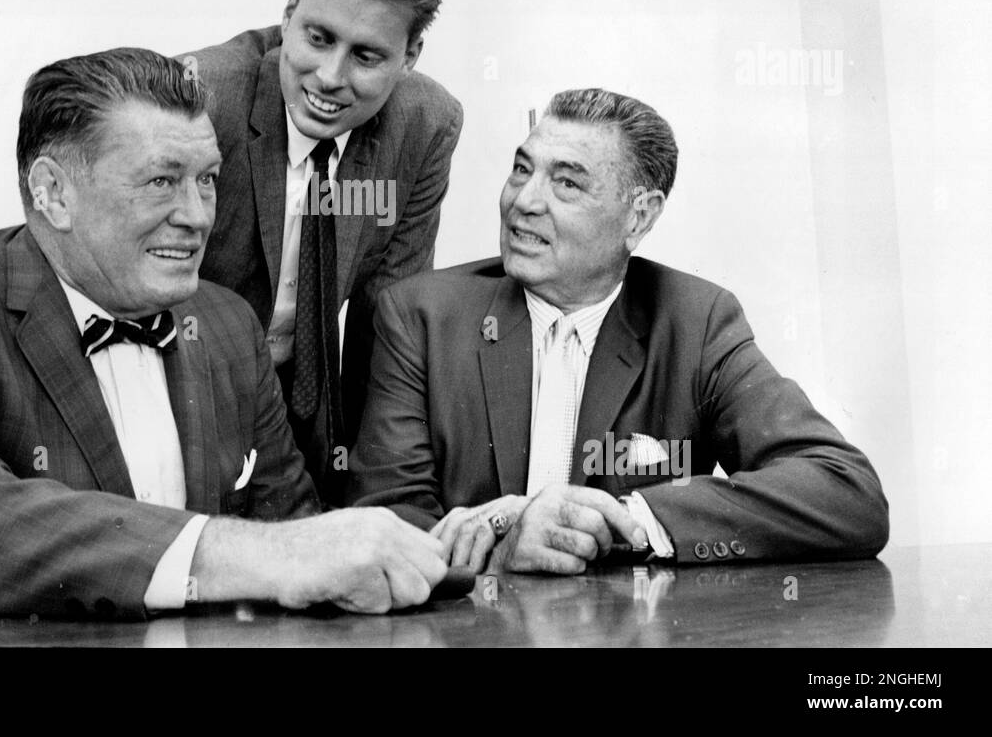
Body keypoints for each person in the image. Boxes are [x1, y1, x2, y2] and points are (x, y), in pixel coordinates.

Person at [0, 47, 447, 619]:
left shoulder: (228, 324)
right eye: (161, 181)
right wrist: (244, 557)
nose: (198, 215)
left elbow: (296, 535)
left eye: (206, 179)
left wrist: (467, 547)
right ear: (53, 193)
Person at [347, 88, 889, 575]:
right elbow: (387, 522)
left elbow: (846, 492)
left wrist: (623, 522)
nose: (524, 201)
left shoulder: (694, 323)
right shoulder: (420, 315)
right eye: (521, 169)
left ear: (639, 217)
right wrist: (508, 538)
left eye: (566, 182)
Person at [180, 0, 463, 505]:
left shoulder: (425, 124)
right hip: (184, 390)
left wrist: (384, 499)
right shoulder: (197, 96)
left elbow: (389, 326)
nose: (330, 79)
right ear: (288, 14)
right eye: (317, 38)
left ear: (409, 56)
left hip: (310, 416)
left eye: (366, 56)